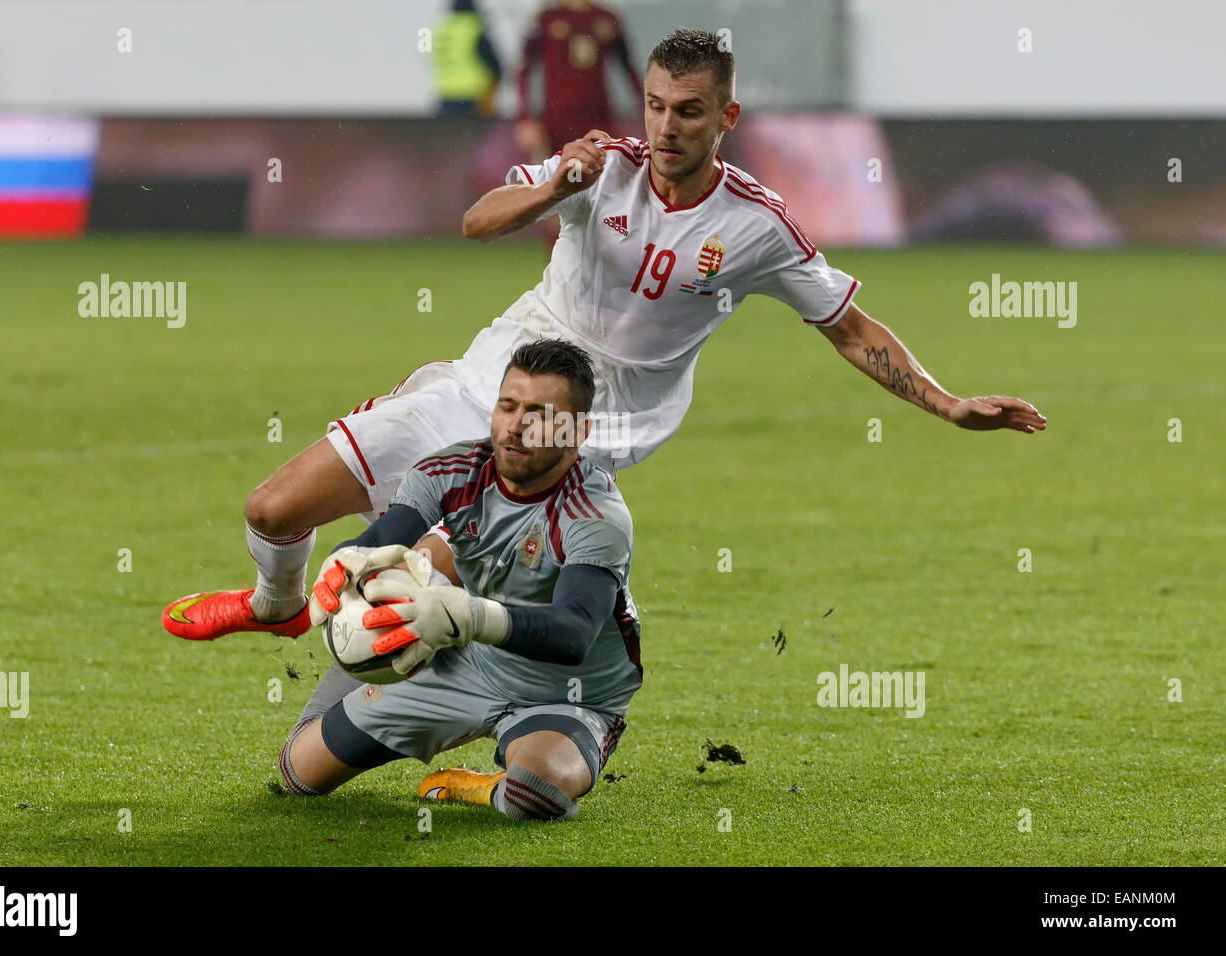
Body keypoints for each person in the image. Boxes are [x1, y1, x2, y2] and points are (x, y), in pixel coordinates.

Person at [162, 28, 1046, 645]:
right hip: (499, 368)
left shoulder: (758, 225)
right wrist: (553, 188)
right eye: (657, 105)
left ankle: (482, 710)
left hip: (599, 418)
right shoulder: (600, 165)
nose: (666, 126)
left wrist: (947, 404)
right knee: (271, 510)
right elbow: (478, 221)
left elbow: (849, 328)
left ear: (725, 119)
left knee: (420, 574)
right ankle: (278, 605)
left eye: (689, 112)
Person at [278, 339, 638, 821]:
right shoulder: (450, 470)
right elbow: (384, 537)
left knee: (533, 794)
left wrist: (472, 615)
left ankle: (478, 786)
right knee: (299, 773)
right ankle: (371, 667)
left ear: (578, 431)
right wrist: (345, 563)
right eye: (507, 406)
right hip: (469, 661)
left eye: (539, 413)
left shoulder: (596, 513)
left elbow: (573, 632)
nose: (516, 426)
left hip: (570, 693)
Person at [514, 0, 642, 162]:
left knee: (601, 177)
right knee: (556, 178)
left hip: (598, 120)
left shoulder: (607, 18)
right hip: (556, 122)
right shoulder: (546, 18)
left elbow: (628, 69)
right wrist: (525, 119)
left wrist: (646, 111)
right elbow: (524, 69)